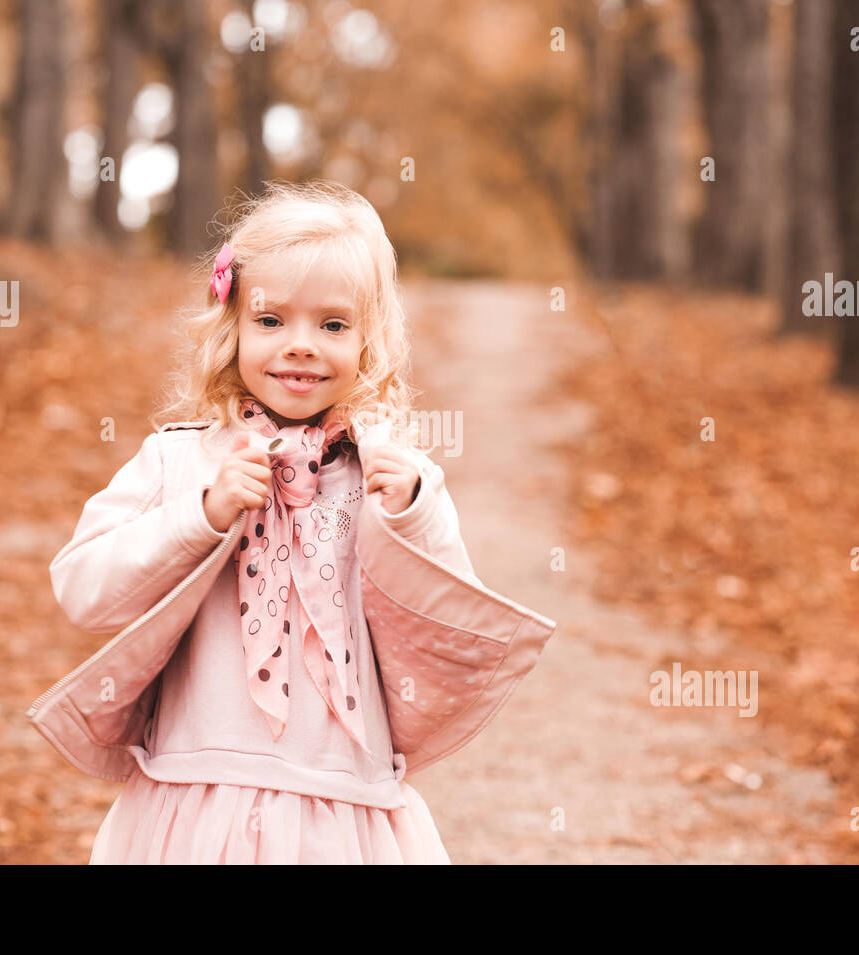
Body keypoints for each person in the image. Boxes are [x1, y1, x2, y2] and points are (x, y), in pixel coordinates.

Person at [29, 180, 556, 864]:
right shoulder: (181, 461)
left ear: (368, 342)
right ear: (233, 327)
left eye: (333, 325)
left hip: (340, 806)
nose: (301, 345)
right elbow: (82, 588)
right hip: (198, 795)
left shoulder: (391, 475)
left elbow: (446, 617)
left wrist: (417, 515)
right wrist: (202, 514)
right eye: (271, 321)